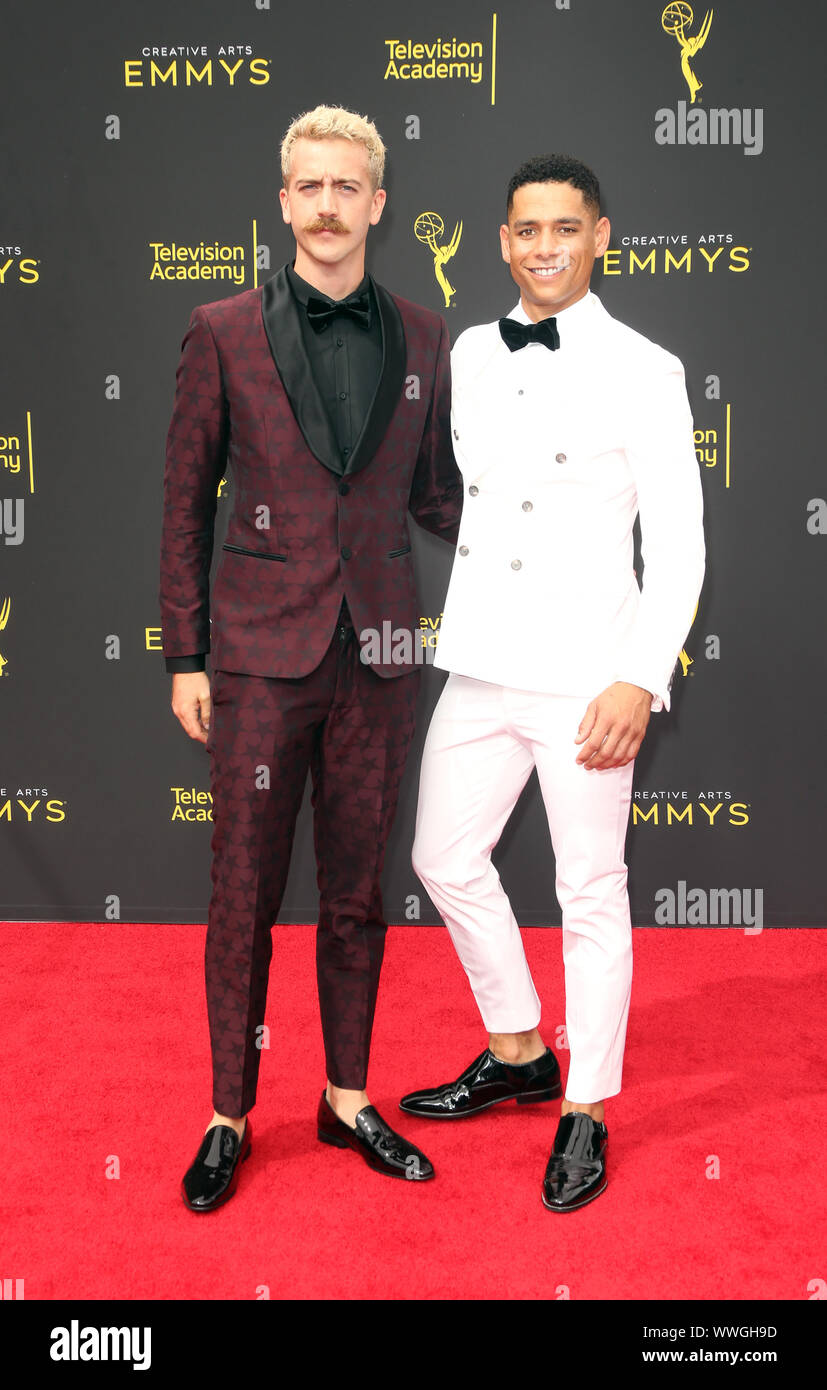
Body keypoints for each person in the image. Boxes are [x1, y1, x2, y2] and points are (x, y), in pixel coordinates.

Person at [159, 105, 462, 1211]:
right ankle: (227, 1114)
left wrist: (544, 526)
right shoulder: (221, 328)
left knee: (355, 895)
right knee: (240, 892)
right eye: (311, 188)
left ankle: (345, 1097)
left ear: (378, 202)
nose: (330, 205)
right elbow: (185, 504)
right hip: (254, 657)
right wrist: (184, 656)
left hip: (379, 654)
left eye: (350, 187)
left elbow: (435, 495)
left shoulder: (427, 336)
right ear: (283, 201)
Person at [403, 154, 705, 1211]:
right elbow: (461, 493)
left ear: (600, 236)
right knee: (440, 853)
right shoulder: (471, 352)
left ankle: (584, 1105)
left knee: (588, 890)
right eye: (525, 228)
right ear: (501, 240)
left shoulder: (645, 365)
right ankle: (520, 1044)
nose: (543, 246)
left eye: (563, 228)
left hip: (587, 673)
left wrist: (637, 677)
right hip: (480, 660)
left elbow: (677, 548)